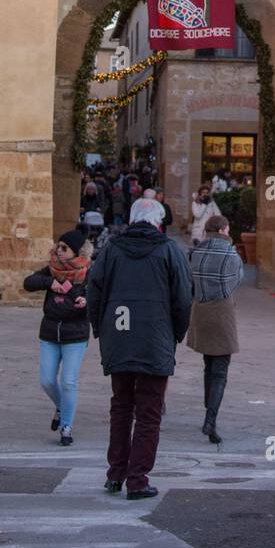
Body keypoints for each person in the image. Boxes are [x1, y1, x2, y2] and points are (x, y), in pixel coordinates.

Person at [87, 199, 192, 499]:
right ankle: (138, 478)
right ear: (159, 222)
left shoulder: (111, 250)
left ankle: (115, 473)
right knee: (149, 410)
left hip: (119, 338)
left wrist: (100, 329)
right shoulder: (170, 251)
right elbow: (183, 298)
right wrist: (176, 333)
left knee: (121, 405)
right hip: (155, 339)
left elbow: (94, 290)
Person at [23, 230, 91, 447]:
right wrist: (49, 283)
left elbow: (100, 294)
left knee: (69, 381)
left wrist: (86, 300)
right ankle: (61, 406)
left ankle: (67, 426)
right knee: (46, 380)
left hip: (76, 334)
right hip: (50, 332)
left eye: (64, 248)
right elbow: (28, 282)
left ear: (76, 252)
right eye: (58, 247)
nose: (59, 251)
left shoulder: (88, 272)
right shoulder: (52, 269)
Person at [186, 215, 243, 444]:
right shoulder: (230, 254)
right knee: (220, 369)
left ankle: (208, 409)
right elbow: (235, 281)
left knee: (208, 364)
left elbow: (190, 281)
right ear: (222, 230)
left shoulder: (196, 252)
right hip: (222, 311)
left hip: (200, 309)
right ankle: (210, 419)